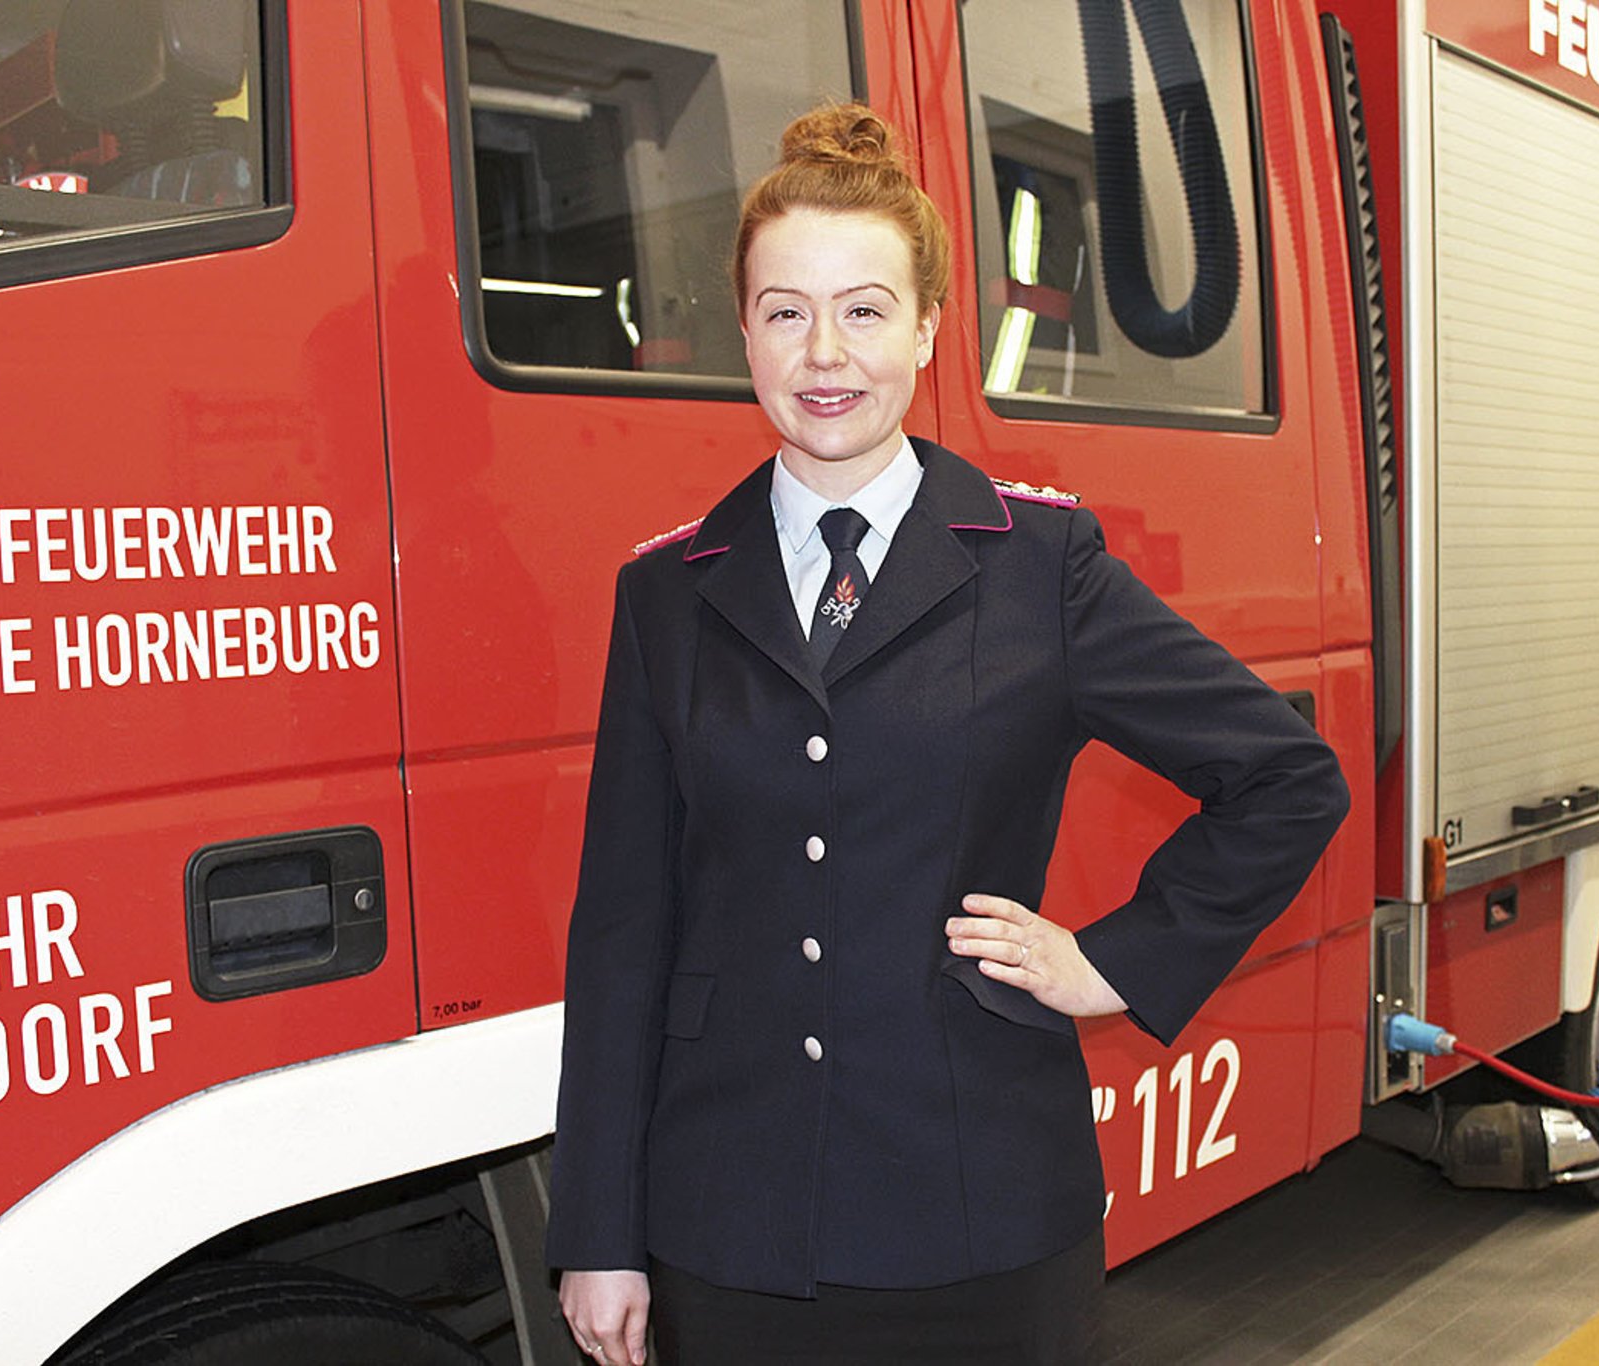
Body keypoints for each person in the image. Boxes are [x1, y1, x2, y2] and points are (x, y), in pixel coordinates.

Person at [546, 101, 1348, 1366]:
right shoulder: (666, 594)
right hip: (729, 1223)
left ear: (925, 326)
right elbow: (622, 929)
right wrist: (597, 1227)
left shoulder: (1040, 566)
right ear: (741, 329)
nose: (825, 353)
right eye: (784, 310)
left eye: (864, 309)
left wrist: (1116, 961)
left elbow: (1284, 776)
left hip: (976, 1210)